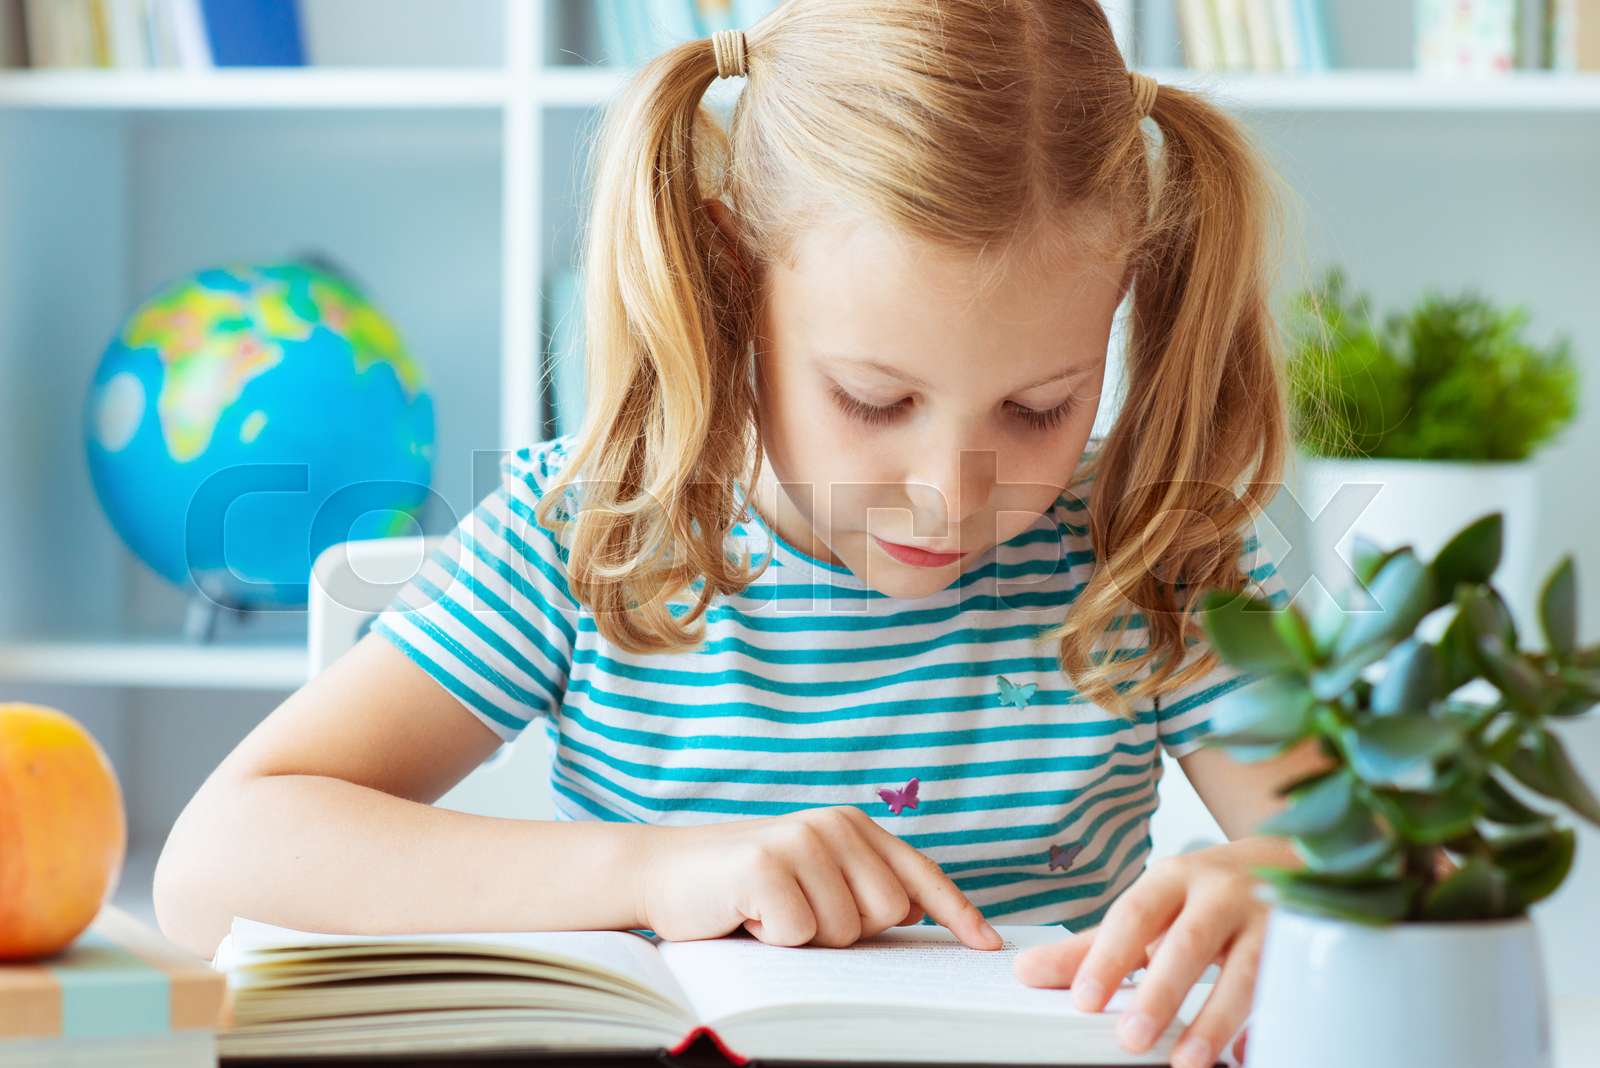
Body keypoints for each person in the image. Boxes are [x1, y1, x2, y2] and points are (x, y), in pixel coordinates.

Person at [156, 3, 1326, 1065]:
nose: (945, 494)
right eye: (873, 400)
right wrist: (661, 866)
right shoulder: (594, 535)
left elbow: (1411, 877)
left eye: (1039, 408)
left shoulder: (1155, 563)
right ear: (730, 277)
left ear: (1120, 301)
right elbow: (213, 868)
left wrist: (1297, 890)